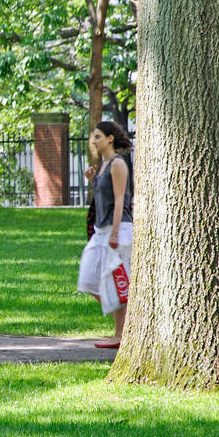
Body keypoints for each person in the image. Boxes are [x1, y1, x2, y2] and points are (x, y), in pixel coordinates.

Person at [76, 120, 134, 350]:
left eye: (98, 136)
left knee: (117, 283)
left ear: (110, 138)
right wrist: (93, 180)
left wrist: (116, 232)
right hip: (101, 231)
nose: (94, 140)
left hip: (117, 230)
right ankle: (126, 327)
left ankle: (121, 333)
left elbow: (121, 199)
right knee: (89, 280)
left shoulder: (118, 163)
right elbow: (104, 197)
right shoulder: (103, 165)